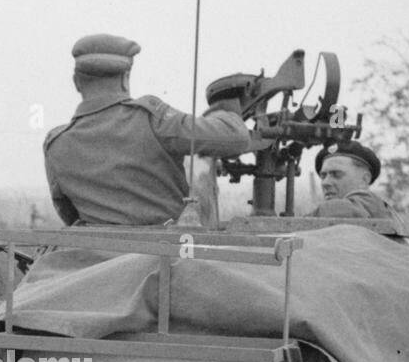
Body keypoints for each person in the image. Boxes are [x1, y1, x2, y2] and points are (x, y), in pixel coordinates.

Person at [43, 34, 252, 226]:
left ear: (76, 83)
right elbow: (237, 137)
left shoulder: (56, 144)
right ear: (125, 79)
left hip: (95, 260)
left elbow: (69, 215)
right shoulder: (153, 120)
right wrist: (223, 111)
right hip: (162, 258)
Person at [312, 140, 400, 220]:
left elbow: (334, 210)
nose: (325, 183)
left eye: (336, 174)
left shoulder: (367, 204)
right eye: (323, 176)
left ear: (365, 179)